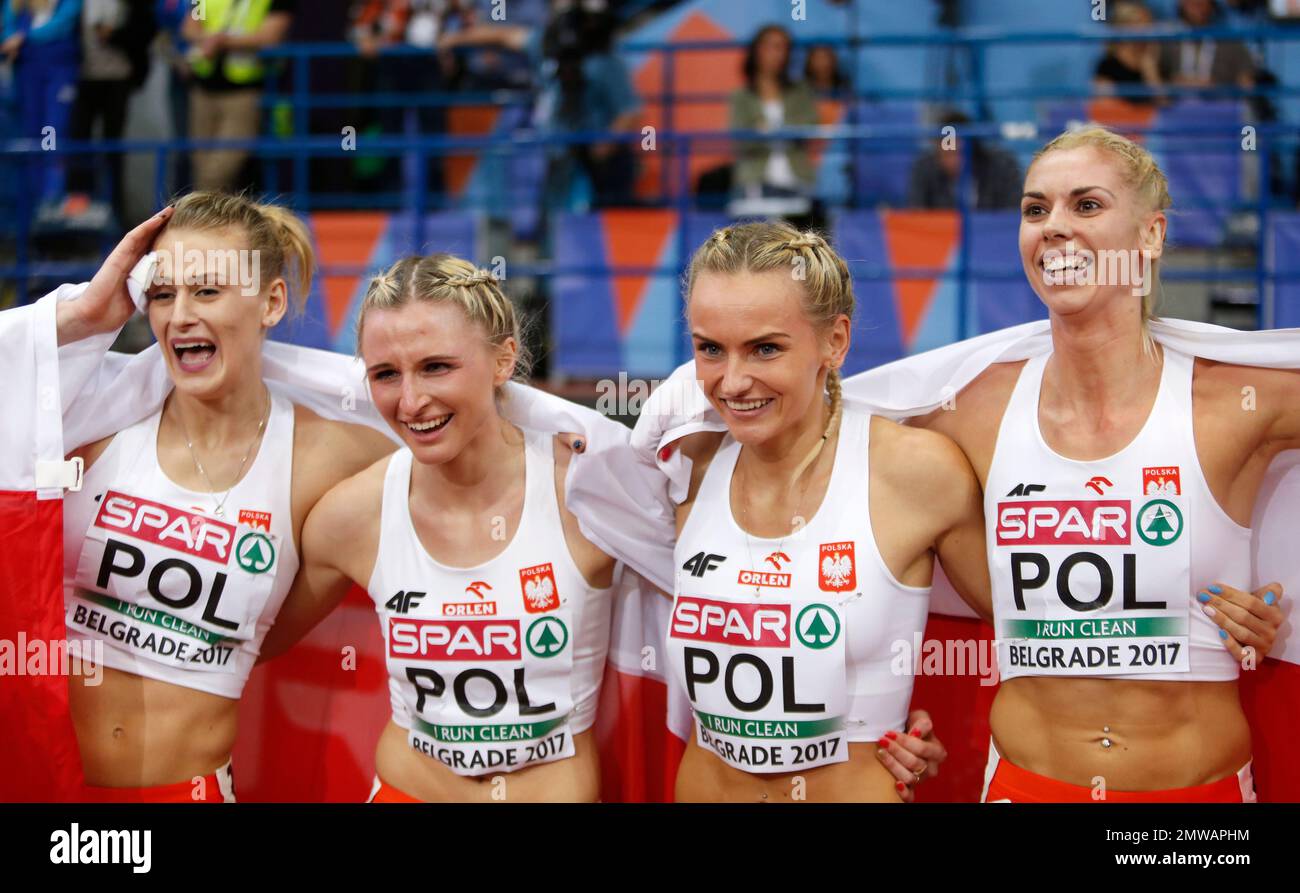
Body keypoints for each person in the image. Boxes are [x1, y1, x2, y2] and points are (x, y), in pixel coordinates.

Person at [912, 126, 1292, 801]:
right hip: (1024, 785)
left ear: (1150, 235)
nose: (1054, 228)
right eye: (1036, 209)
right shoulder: (967, 411)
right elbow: (820, 460)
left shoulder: (1235, 400)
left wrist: (1288, 594)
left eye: (1086, 205)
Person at [60, 191, 395, 801]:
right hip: (44, 785)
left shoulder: (328, 456)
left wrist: (567, 454)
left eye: (208, 291)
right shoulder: (90, 424)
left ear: (271, 302)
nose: (180, 315)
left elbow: (463, 457)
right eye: (162, 295)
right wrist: (83, 314)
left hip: (188, 790)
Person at [260, 254, 618, 802]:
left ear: (504, 361)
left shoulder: (590, 497)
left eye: (436, 367)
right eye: (385, 374)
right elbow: (242, 643)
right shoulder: (355, 515)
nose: (410, 401)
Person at [662, 221, 980, 801]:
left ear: (835, 342)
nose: (732, 382)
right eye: (711, 348)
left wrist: (952, 733)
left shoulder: (914, 471)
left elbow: (1031, 630)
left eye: (765, 348)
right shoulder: (688, 467)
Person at [183, 0, 295, 192]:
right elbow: (189, 27)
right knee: (201, 165)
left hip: (244, 92)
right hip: (203, 88)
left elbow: (270, 37)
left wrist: (221, 42)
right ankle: (212, 216)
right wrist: (209, 39)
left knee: (221, 169)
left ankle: (205, 217)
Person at [1, 0, 83, 209]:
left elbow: (61, 24)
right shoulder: (16, 4)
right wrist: (12, 38)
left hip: (57, 71)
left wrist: (23, 38)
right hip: (27, 71)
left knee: (51, 133)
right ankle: (30, 202)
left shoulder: (67, 3)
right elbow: (8, 25)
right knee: (29, 136)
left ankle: (50, 198)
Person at [729, 24, 819, 200]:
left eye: (783, 48)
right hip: (753, 181)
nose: (778, 54)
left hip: (798, 180)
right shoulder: (741, 96)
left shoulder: (801, 91)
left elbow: (810, 126)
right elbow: (739, 140)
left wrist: (767, 131)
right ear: (757, 51)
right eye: (772, 47)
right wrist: (772, 133)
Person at [907, 111, 1022, 211]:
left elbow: (1012, 216)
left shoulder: (1003, 167)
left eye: (958, 153)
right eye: (946, 154)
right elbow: (917, 216)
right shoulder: (923, 169)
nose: (953, 161)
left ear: (973, 148)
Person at [1092, 0, 1165, 106]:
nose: (1146, 29)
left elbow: (1164, 104)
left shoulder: (1154, 62)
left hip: (1150, 121)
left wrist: (1150, 72)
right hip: (1120, 121)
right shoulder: (1107, 65)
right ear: (1123, 27)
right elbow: (1104, 105)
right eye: (1139, 23)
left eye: (1148, 23)